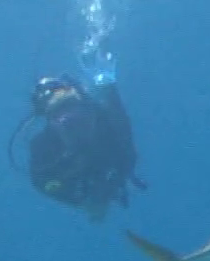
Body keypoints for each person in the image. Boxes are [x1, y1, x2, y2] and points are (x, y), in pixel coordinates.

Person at [21, 74, 144, 221]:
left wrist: (112, 184)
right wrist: (81, 200)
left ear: (88, 108)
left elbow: (127, 153)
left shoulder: (108, 122)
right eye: (56, 114)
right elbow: (42, 182)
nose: (67, 119)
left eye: (71, 107)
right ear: (50, 123)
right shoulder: (43, 149)